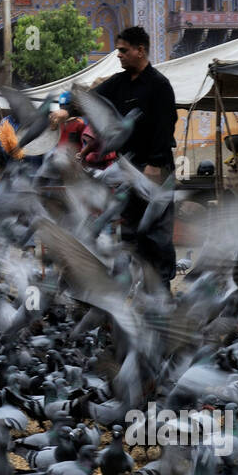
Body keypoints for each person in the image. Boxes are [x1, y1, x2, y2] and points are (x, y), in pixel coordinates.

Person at [91, 26, 178, 286]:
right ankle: (142, 289)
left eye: (123, 50)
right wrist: (63, 108)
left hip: (155, 170)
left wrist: (154, 163)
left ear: (140, 50)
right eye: (118, 50)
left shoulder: (159, 85)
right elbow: (90, 99)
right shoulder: (118, 84)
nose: (118, 55)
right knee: (132, 231)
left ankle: (162, 293)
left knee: (157, 234)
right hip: (128, 169)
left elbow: (166, 125)